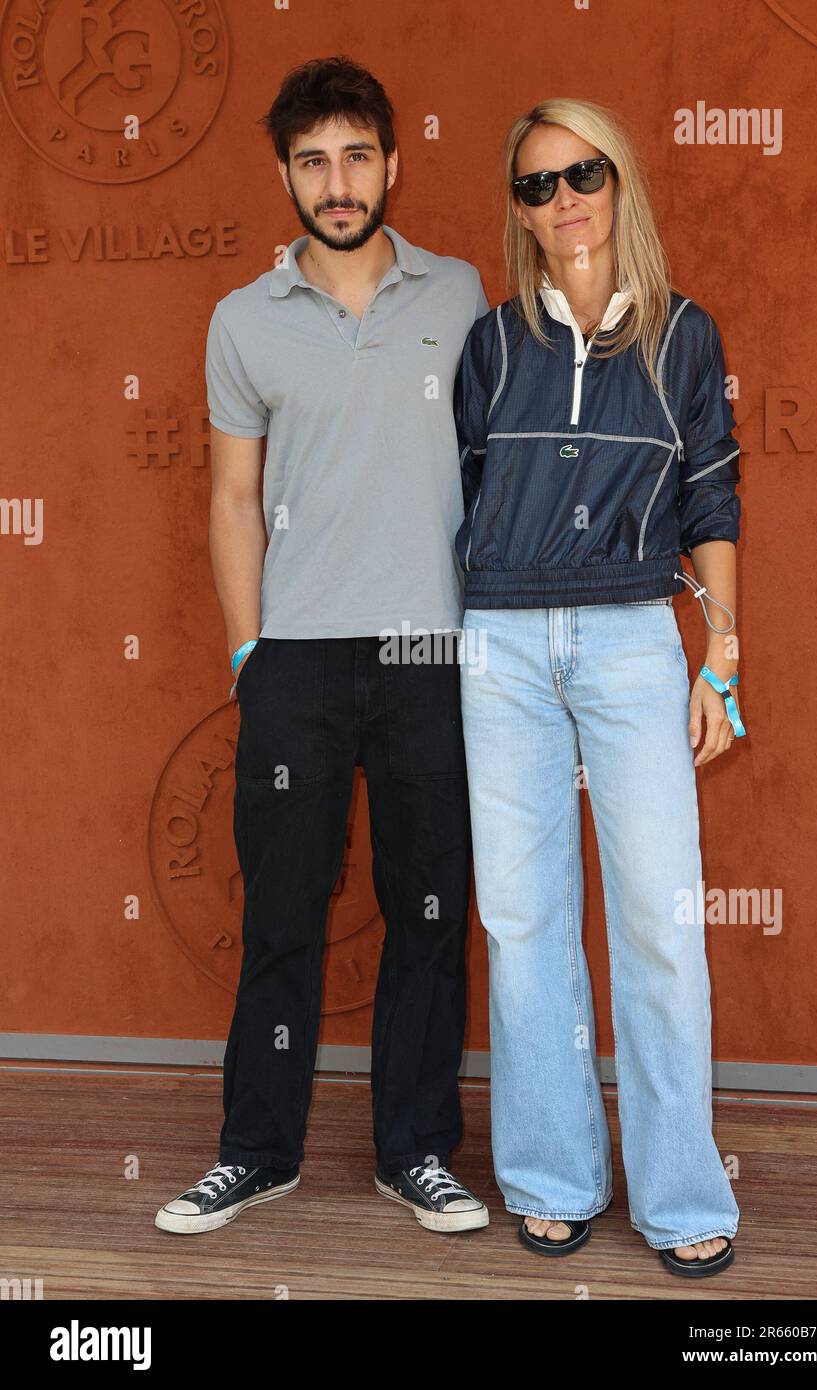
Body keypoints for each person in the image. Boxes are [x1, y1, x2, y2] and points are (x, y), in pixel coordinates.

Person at [155, 56, 490, 1237]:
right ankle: (257, 1150)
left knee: (431, 907)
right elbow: (233, 496)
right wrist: (252, 653)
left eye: (357, 157)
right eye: (313, 162)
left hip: (426, 653)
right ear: (286, 176)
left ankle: (416, 1150)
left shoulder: (459, 296)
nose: (337, 183)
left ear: (393, 164)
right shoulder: (241, 321)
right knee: (284, 911)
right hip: (296, 652)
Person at [453, 98, 743, 1276]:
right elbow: (457, 504)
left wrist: (720, 663)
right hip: (502, 650)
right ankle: (552, 1172)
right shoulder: (490, 344)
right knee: (523, 925)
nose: (562, 200)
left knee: (663, 925)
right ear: (518, 211)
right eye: (535, 185)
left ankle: (680, 1191)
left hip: (632, 640)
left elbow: (713, 503)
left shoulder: (686, 337)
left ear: (619, 182)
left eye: (581, 174)